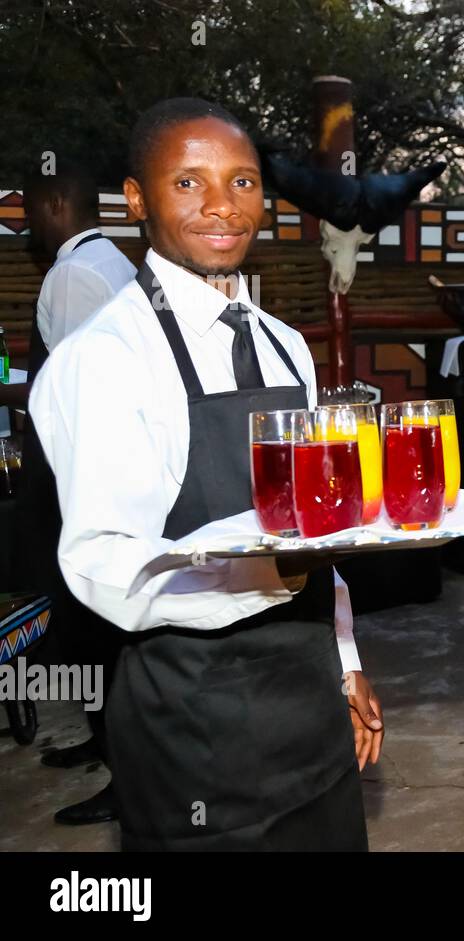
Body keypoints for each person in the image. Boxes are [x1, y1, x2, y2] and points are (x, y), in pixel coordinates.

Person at [29, 97, 384, 851]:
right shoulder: (105, 358)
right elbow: (104, 565)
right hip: (192, 728)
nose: (223, 206)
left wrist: (346, 661)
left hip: (311, 712)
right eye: (189, 183)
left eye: (244, 181)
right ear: (136, 200)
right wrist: (271, 575)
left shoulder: (286, 344)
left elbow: (313, 528)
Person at [14, 160, 136, 826]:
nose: (26, 223)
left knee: (88, 625)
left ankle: (128, 773)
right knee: (97, 626)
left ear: (57, 202)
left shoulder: (70, 276)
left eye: (30, 208)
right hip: (105, 478)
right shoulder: (114, 264)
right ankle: (103, 740)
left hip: (81, 482)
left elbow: (77, 396)